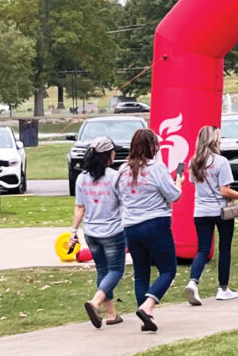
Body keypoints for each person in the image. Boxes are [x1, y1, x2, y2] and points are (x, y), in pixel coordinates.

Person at [114, 128, 182, 332]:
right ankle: (148, 305)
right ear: (152, 147)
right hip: (155, 222)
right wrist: (178, 182)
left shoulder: (123, 169)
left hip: (131, 226)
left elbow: (119, 195)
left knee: (141, 272)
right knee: (168, 269)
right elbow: (174, 196)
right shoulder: (157, 168)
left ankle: (146, 318)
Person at [183, 125, 238, 305]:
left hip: (200, 211)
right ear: (213, 140)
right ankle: (223, 288)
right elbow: (225, 190)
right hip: (220, 211)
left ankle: (193, 281)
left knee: (202, 249)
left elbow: (196, 186)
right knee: (224, 248)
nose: (220, 140)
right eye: (219, 138)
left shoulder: (193, 162)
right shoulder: (220, 161)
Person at [71, 136, 125, 329]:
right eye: (113, 151)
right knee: (116, 270)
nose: (114, 154)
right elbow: (124, 202)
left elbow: (79, 208)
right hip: (112, 231)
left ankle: (111, 314)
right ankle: (95, 302)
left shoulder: (82, 178)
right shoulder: (114, 176)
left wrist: (73, 232)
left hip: (91, 232)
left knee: (102, 270)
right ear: (107, 156)